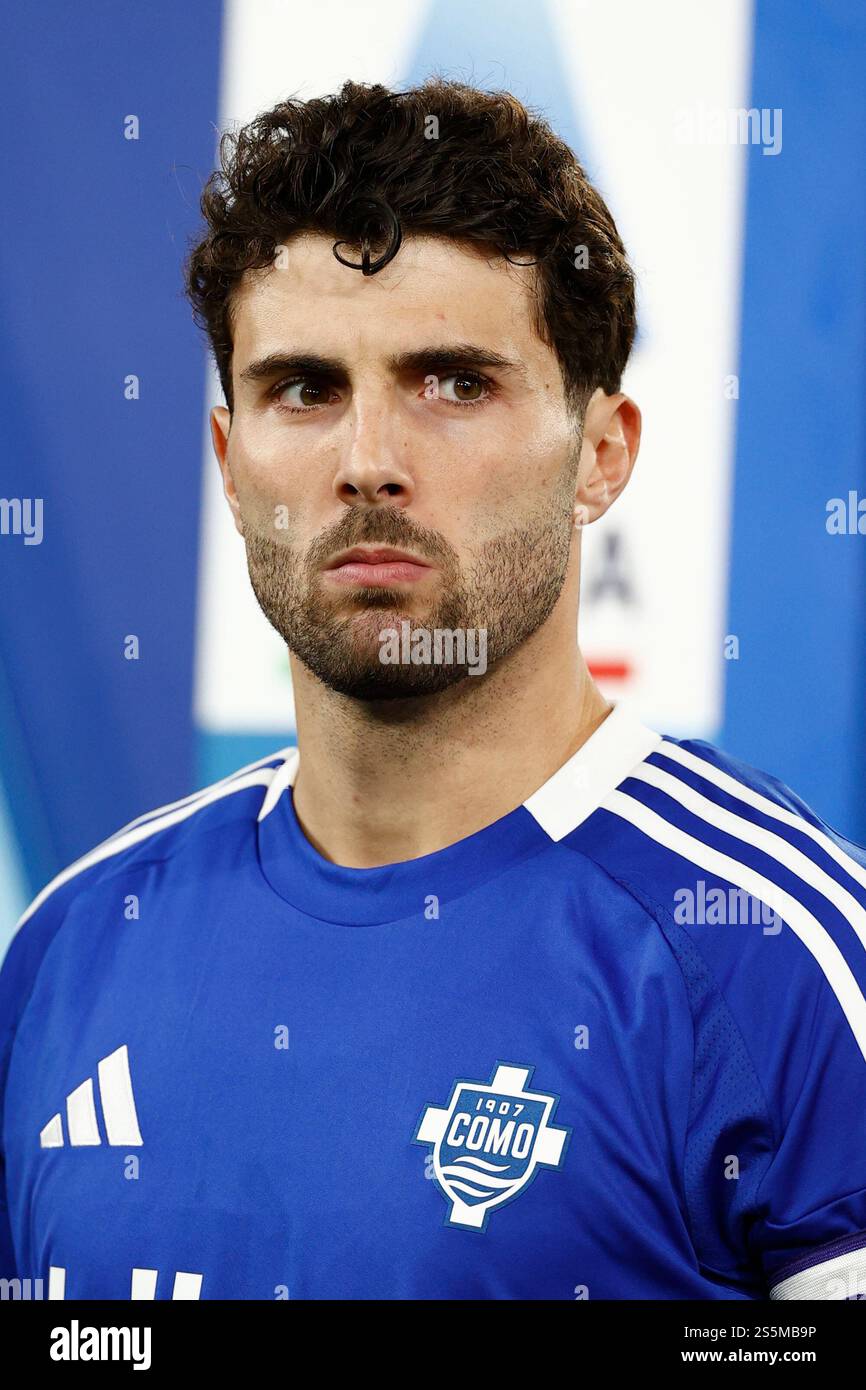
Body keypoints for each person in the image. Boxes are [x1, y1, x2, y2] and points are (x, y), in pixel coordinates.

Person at [1, 78, 865, 1301]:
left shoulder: (788, 967)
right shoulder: (67, 953)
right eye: (303, 387)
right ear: (228, 463)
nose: (368, 463)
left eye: (453, 382)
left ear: (601, 452)